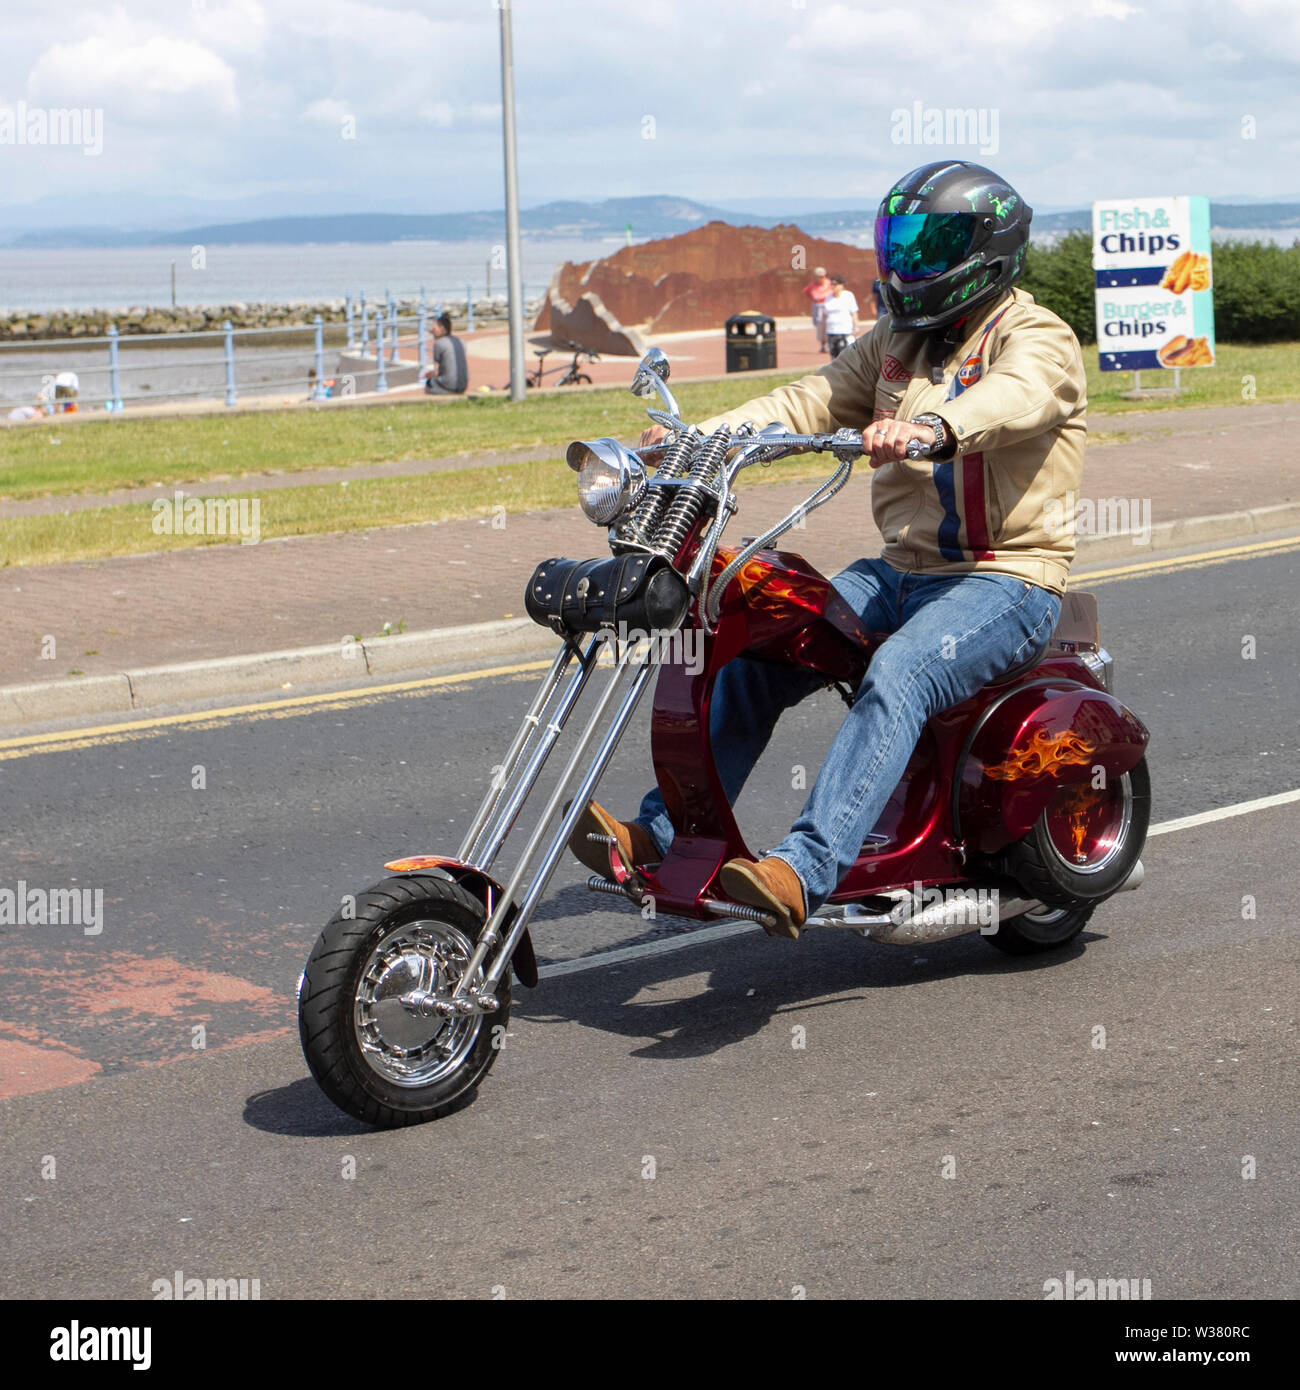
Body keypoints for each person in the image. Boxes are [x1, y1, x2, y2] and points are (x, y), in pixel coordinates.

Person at [570, 160, 1086, 939]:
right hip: (900, 571)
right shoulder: (895, 342)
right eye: (902, 242)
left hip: (1006, 578)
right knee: (759, 648)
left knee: (900, 671)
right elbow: (803, 400)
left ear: (987, 249)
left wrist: (931, 427)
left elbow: (1015, 396)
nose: (910, 261)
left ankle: (802, 871)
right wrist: (691, 443)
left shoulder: (1036, 335)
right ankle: (663, 833)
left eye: (933, 242)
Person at [424, 312, 468, 395]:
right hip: (463, 386)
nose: (431, 331)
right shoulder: (461, 342)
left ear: (442, 329)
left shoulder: (439, 343)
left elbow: (436, 372)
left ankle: (431, 404)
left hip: (449, 386)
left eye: (434, 329)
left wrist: (428, 375)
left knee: (429, 382)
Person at [821, 274, 859, 358]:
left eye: (835, 284)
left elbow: (854, 313)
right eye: (831, 284)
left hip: (844, 332)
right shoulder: (828, 298)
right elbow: (824, 316)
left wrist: (856, 327)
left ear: (842, 285)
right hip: (831, 332)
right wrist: (823, 333)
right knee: (834, 358)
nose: (833, 286)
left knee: (845, 357)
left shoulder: (848, 296)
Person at [802, 265, 832, 352]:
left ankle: (827, 344)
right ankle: (823, 344)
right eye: (819, 277)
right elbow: (806, 292)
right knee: (818, 324)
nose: (821, 278)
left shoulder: (829, 284)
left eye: (823, 276)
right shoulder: (812, 285)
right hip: (817, 305)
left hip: (826, 305)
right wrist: (813, 299)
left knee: (825, 324)